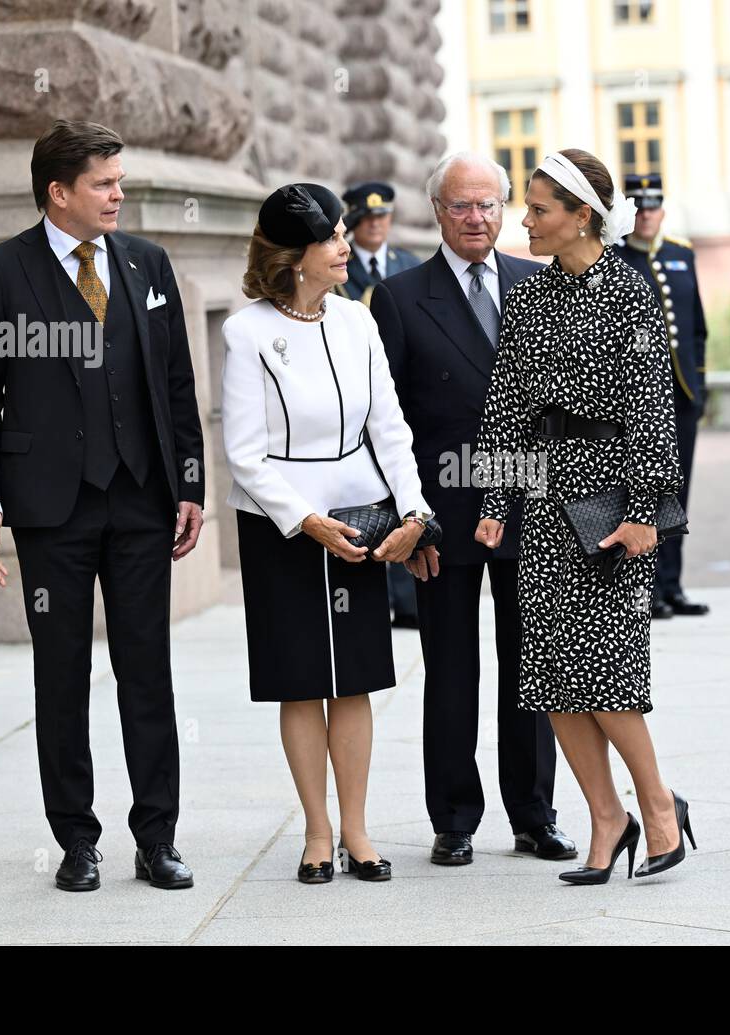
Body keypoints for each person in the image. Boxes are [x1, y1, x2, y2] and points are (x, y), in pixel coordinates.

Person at [0, 119, 205, 892]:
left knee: (147, 671)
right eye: (104, 183)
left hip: (139, 503)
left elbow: (175, 386)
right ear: (59, 192)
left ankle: (157, 837)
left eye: (119, 181)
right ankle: (76, 840)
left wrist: (190, 483)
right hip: (50, 512)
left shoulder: (147, 263)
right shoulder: (1, 270)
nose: (119, 195)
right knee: (60, 675)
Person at [475, 148, 694, 884]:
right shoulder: (529, 296)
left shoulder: (630, 291)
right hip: (543, 500)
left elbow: (653, 413)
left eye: (539, 209)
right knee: (549, 676)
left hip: (613, 501)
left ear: (581, 217)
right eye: (528, 208)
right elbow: (506, 402)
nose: (525, 221)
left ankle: (659, 806)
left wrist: (644, 515)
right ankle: (608, 817)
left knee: (608, 672)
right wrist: (494, 503)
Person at [220, 183, 432, 884]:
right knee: (302, 679)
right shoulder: (245, 331)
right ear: (295, 254)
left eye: (346, 233)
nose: (348, 245)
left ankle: (358, 829)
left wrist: (414, 511)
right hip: (282, 526)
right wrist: (307, 521)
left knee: (358, 680)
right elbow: (245, 453)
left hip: (362, 518)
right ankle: (316, 831)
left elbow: (390, 429)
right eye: (334, 237)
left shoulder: (357, 322)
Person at [370, 152, 574, 867]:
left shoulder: (540, 283)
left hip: (532, 511)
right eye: (461, 205)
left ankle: (534, 814)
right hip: (444, 518)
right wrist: (410, 517)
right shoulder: (399, 297)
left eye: (489, 204)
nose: (476, 218)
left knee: (532, 671)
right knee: (451, 673)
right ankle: (453, 817)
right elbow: (386, 420)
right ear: (437, 210)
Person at [614, 173, 710, 619]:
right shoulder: (614, 261)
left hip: (682, 396)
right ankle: (644, 590)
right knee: (643, 495)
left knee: (678, 493)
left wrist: (701, 386)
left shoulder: (680, 255)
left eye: (653, 207)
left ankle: (672, 585)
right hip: (637, 403)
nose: (647, 215)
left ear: (662, 211)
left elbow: (696, 329)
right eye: (639, 208)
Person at [337, 180, 425, 627]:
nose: (375, 225)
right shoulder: (337, 269)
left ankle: (408, 601)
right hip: (351, 403)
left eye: (382, 217)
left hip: (400, 399)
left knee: (406, 495)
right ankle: (378, 593)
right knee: (367, 499)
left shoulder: (409, 266)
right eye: (367, 219)